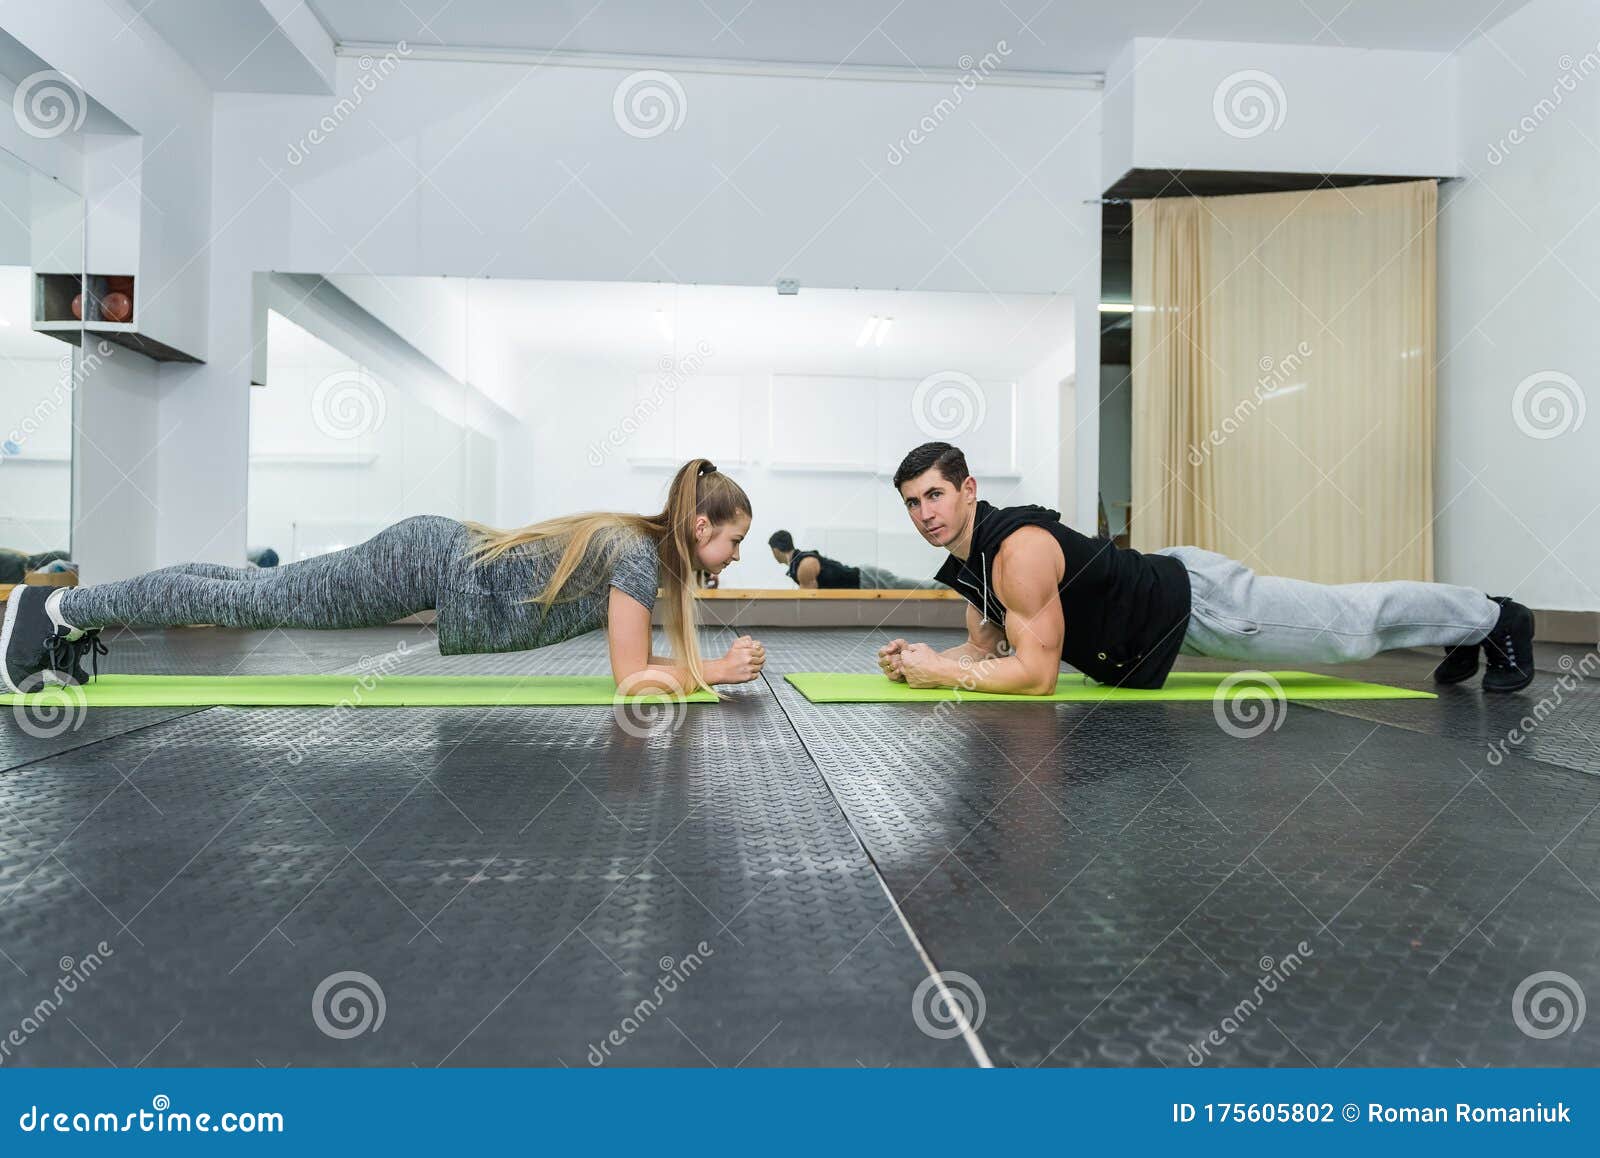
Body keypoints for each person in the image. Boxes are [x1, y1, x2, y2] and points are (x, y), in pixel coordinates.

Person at [2, 459, 766, 697]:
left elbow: (634, 667)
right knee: (252, 604)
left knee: (246, 591)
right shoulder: (637, 556)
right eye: (732, 541)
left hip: (431, 556)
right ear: (701, 528)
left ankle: (73, 613)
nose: (733, 556)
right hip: (423, 562)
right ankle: (57, 605)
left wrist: (698, 666)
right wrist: (714, 672)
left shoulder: (640, 549)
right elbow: (631, 678)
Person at [876, 442, 1535, 696]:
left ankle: (1497, 618)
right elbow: (985, 648)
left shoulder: (1015, 552)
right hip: (1170, 607)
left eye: (935, 494)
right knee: (1346, 624)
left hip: (1201, 605)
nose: (925, 513)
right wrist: (927, 658)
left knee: (1346, 627)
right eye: (912, 503)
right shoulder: (973, 567)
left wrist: (941, 678)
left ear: (968, 489)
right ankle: (1467, 627)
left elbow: (1037, 675)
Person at [767, 530, 942, 590]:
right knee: (903, 585)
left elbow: (809, 602)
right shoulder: (799, 564)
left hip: (866, 577)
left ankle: (946, 585)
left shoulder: (804, 564)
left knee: (906, 585)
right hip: (863, 579)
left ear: (776, 550)